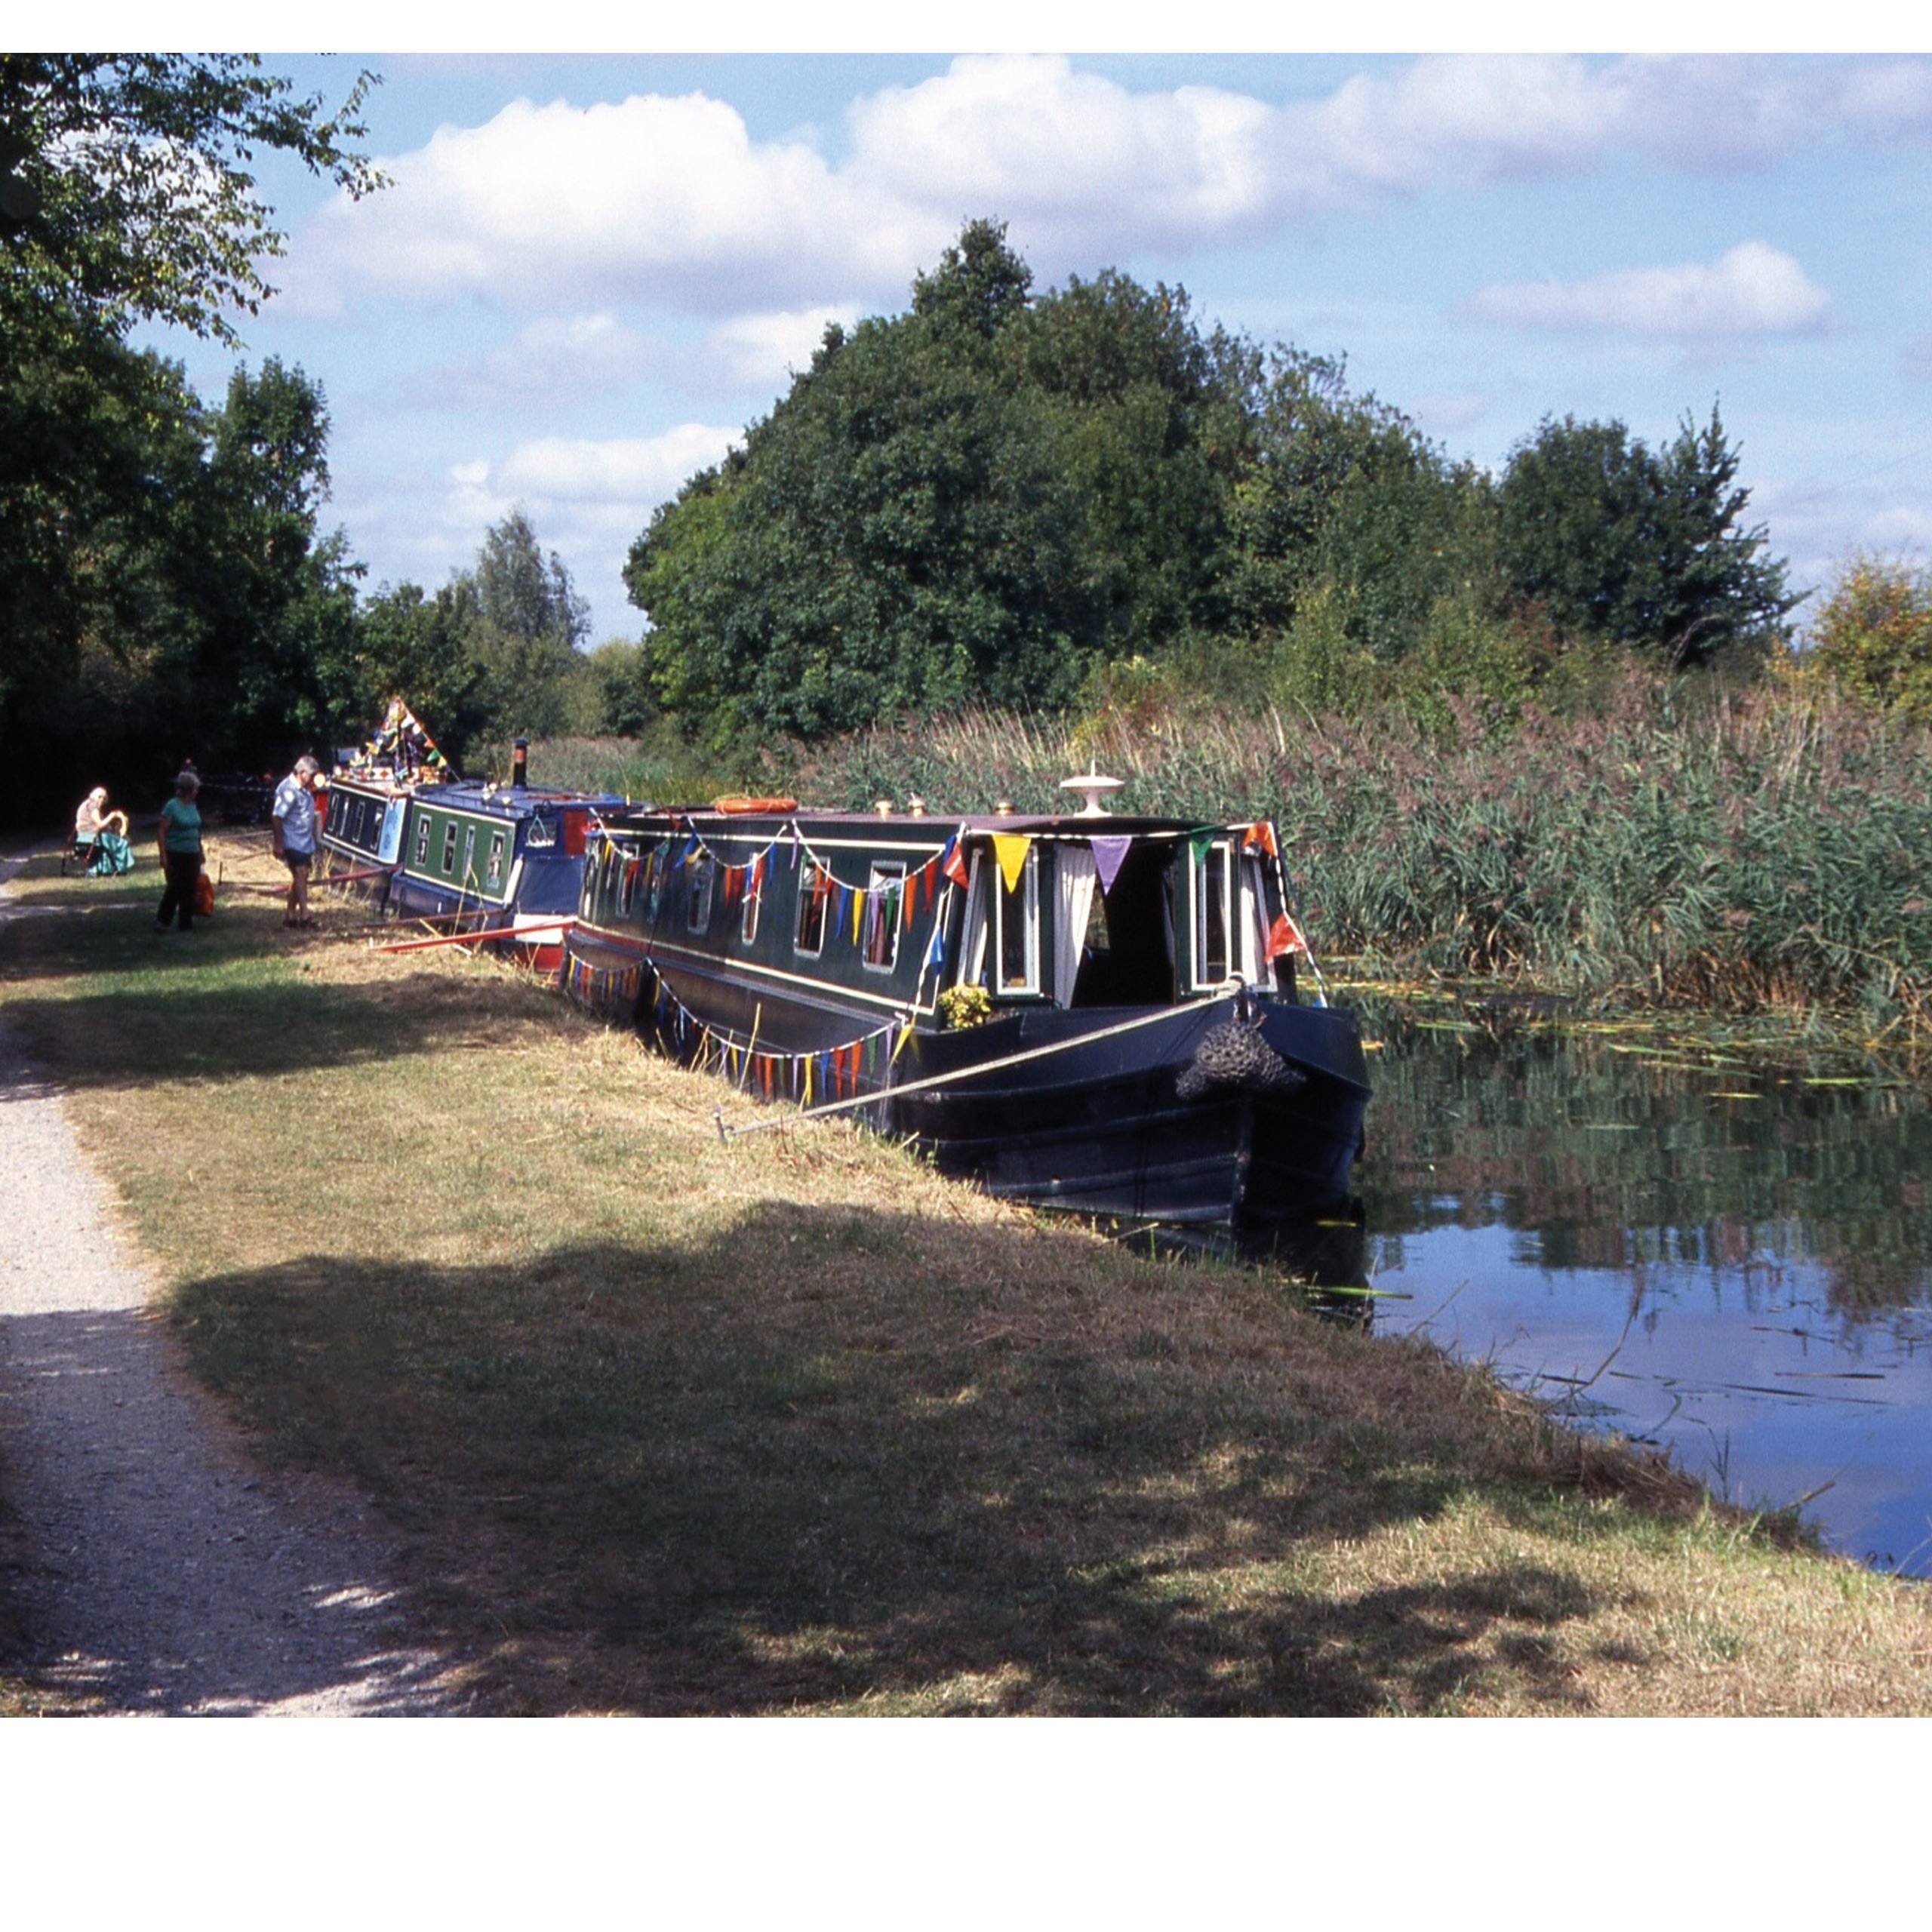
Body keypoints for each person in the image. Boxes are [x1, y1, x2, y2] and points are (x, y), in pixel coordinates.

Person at [272, 754, 321, 928]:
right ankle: (305, 915)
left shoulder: (305, 789)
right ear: (302, 773)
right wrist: (278, 844)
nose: (314, 779)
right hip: (291, 840)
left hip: (304, 841)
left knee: (300, 876)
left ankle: (290, 915)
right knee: (301, 873)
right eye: (312, 775)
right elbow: (277, 817)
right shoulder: (288, 790)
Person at [154, 770, 204, 933]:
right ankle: (163, 920)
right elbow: (162, 831)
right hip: (175, 852)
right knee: (175, 886)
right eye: (195, 788)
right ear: (188, 789)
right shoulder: (172, 806)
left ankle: (186, 923)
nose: (197, 791)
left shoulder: (193, 806)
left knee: (189, 887)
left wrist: (200, 850)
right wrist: (163, 854)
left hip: (192, 852)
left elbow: (197, 829)